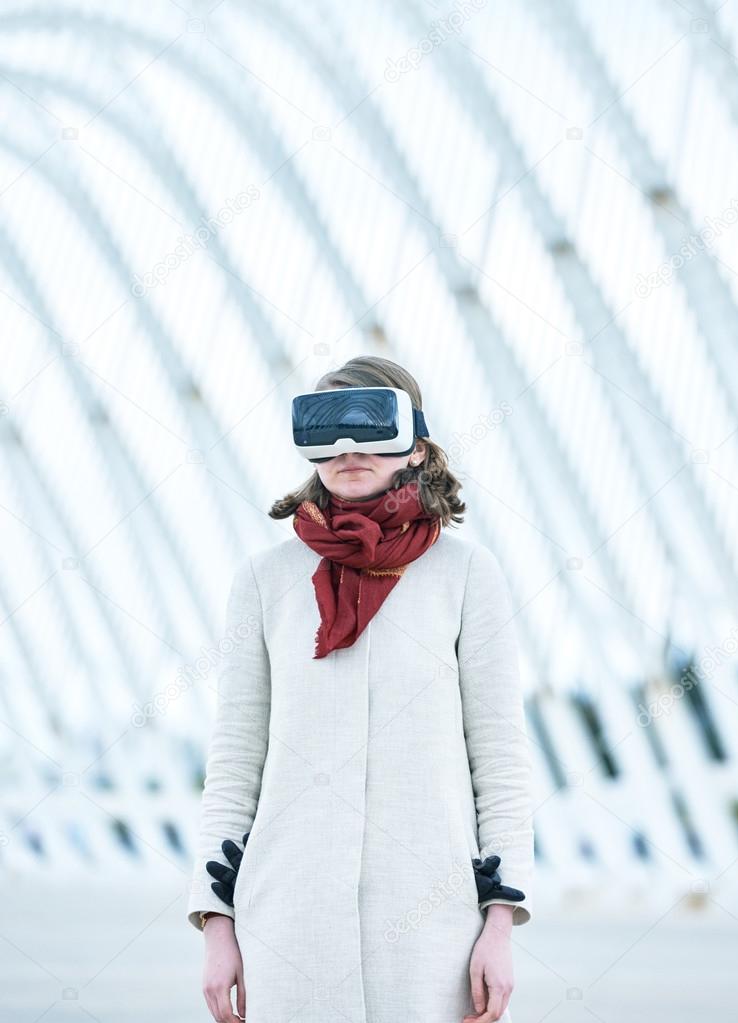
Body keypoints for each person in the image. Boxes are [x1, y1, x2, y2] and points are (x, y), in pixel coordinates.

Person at [186, 355, 535, 1023]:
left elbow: (499, 761)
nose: (348, 449)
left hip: (435, 932)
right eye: (328, 431)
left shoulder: (465, 574)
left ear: (418, 444)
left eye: (371, 428)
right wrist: (216, 924)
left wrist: (501, 920)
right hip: (286, 927)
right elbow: (233, 765)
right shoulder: (264, 580)